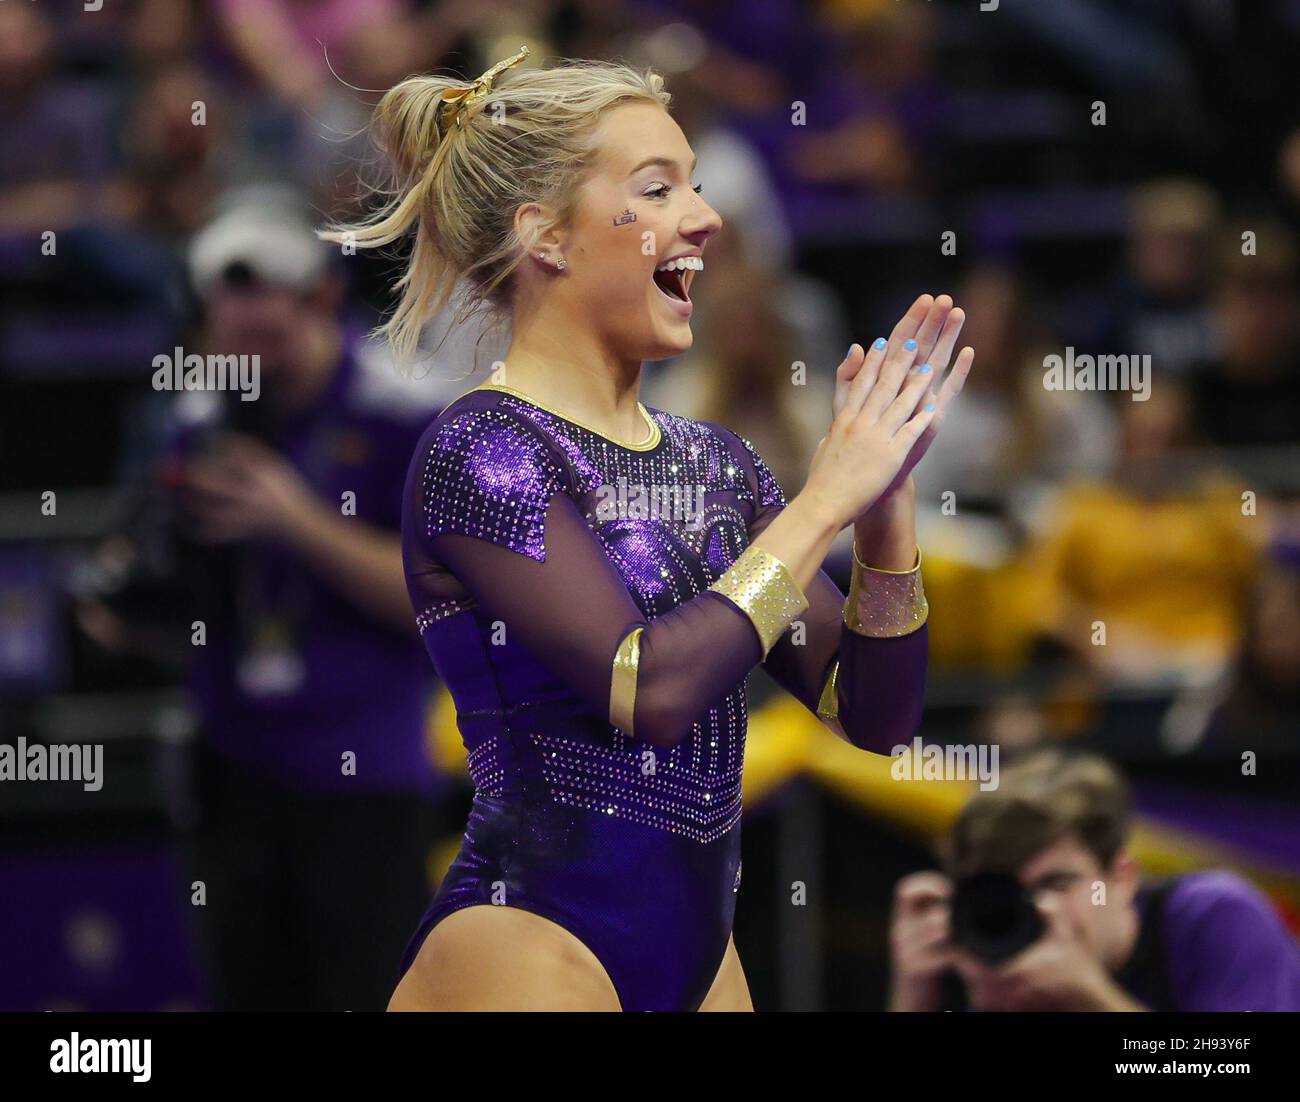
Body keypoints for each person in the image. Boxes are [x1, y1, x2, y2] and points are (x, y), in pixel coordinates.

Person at [324, 48, 974, 1012]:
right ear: (544, 235)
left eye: (698, 185)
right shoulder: (484, 451)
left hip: (702, 958)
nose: (706, 217)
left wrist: (883, 504)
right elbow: (648, 687)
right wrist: (823, 501)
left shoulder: (718, 464)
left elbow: (872, 713)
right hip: (531, 943)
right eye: (659, 188)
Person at [82, 194, 443, 1010]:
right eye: (227, 312)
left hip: (360, 774)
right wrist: (128, 604)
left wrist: (296, 521)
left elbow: (437, 602)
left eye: (264, 303)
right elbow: (166, 590)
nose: (243, 324)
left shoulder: (398, 410)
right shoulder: (197, 417)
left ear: (318, 296)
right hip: (232, 770)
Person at [888, 750, 1300, 1012]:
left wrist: (1088, 996)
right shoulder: (979, 953)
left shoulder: (1214, 916)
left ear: (1121, 878)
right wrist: (916, 998)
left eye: (1056, 883)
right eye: (1006, 891)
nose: (1036, 911)